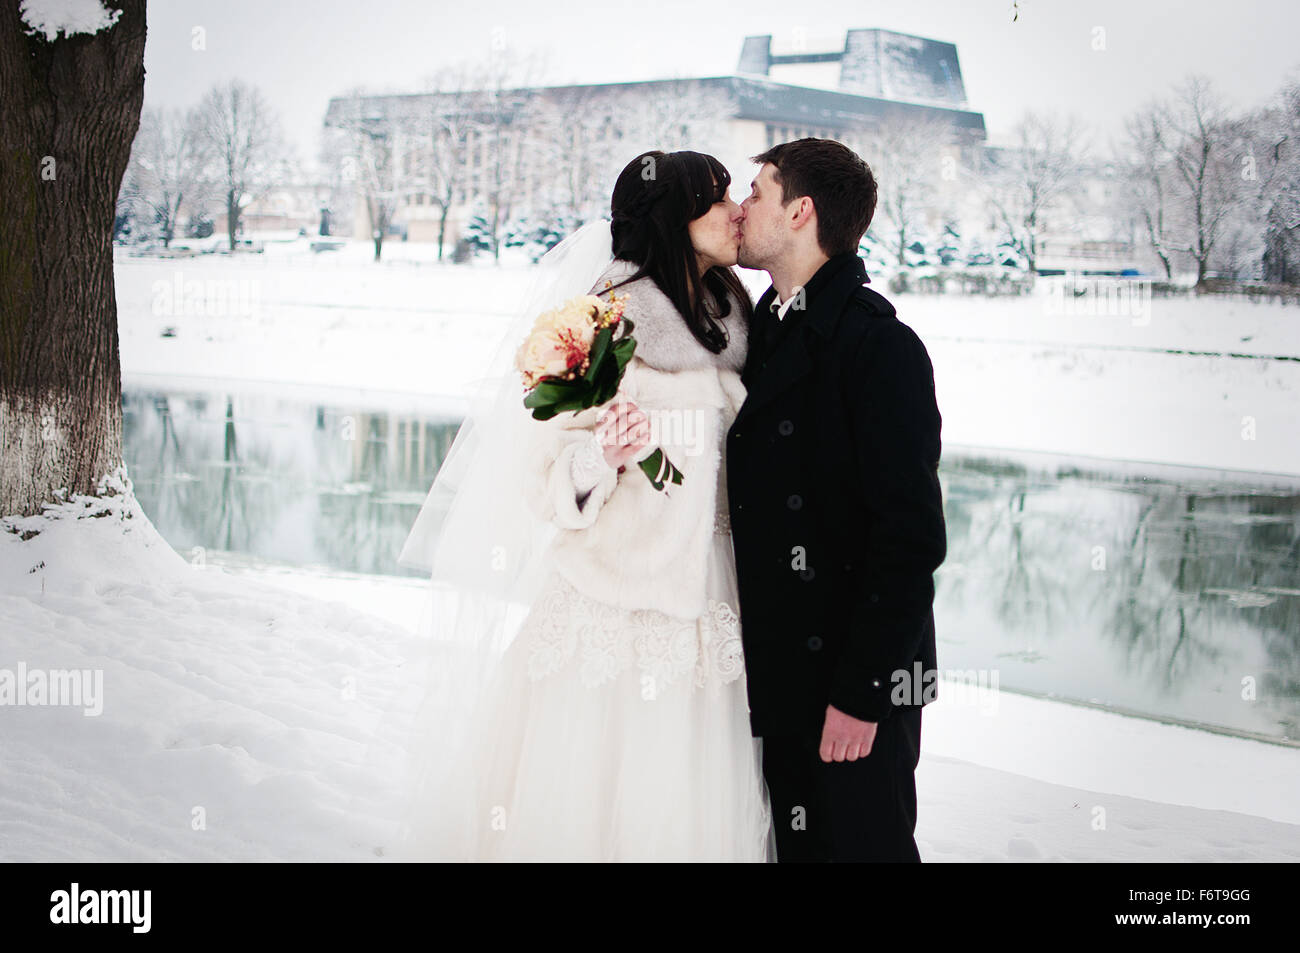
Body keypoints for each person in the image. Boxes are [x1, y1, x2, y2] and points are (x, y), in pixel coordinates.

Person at [391, 150, 773, 861]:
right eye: (716, 199)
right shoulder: (607, 320)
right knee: (592, 789)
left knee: (686, 794)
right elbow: (544, 474)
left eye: (731, 195)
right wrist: (601, 457)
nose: (734, 211)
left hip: (714, 596)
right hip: (614, 595)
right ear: (672, 217)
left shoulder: (736, 316)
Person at [727, 138, 947, 862]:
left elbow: (910, 541)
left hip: (852, 687)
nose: (741, 207)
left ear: (800, 211)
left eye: (756, 192)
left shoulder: (882, 347)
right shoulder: (760, 329)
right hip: (781, 676)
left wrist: (862, 694)